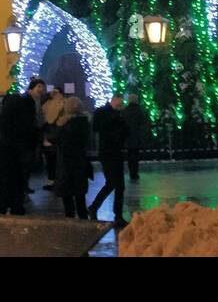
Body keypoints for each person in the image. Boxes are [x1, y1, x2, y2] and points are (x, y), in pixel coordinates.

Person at [87, 94, 129, 227]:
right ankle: (95, 208)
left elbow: (125, 130)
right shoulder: (102, 112)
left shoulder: (118, 114)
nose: (121, 104)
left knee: (119, 185)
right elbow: (97, 127)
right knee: (112, 183)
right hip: (107, 152)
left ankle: (116, 214)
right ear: (114, 100)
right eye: (119, 101)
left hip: (115, 152)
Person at [0, 87, 34, 215]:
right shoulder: (22, 120)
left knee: (2, 185)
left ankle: (1, 207)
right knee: (17, 184)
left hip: (3, 157)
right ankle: (16, 207)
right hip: (17, 158)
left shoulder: (2, 120)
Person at [53, 96, 92, 218]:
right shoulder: (84, 123)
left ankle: (71, 226)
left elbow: (54, 138)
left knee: (68, 201)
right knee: (80, 199)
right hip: (80, 165)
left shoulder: (63, 126)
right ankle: (84, 223)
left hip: (66, 166)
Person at [40, 87, 66, 186]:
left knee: (52, 160)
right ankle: (55, 180)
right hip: (54, 135)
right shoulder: (63, 103)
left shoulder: (47, 104)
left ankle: (53, 180)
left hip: (51, 135)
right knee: (54, 159)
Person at [124, 92, 148, 180]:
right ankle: (135, 173)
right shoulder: (140, 110)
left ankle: (131, 172)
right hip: (136, 136)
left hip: (127, 137)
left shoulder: (125, 111)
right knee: (136, 156)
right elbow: (144, 123)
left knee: (130, 155)